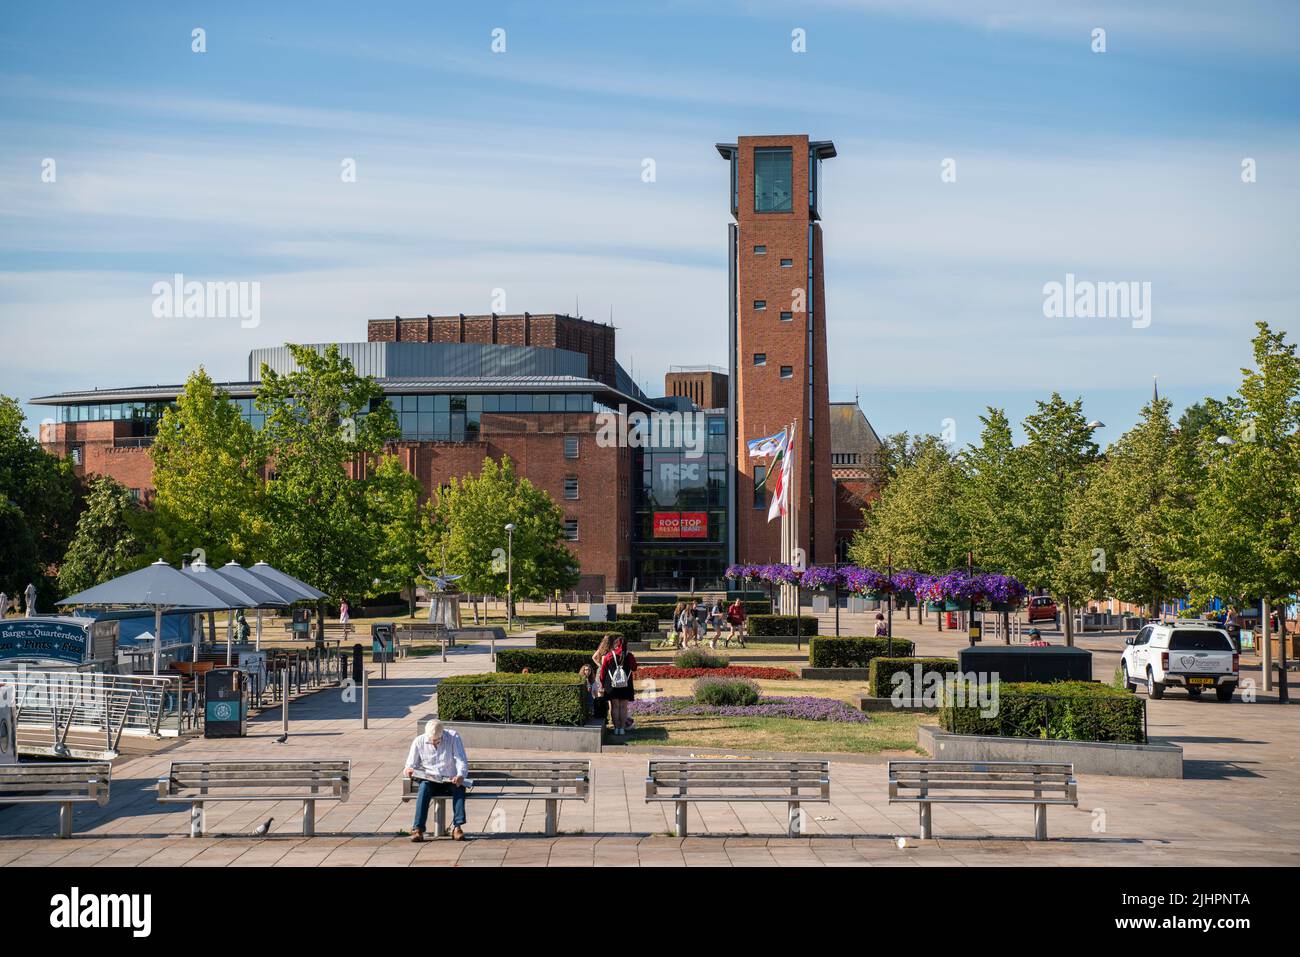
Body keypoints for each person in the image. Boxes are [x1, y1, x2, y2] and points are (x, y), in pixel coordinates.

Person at [404, 719, 469, 842]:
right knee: (424, 787)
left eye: (437, 740)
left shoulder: (453, 737)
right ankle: (418, 829)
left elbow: (461, 760)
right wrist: (409, 771)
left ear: (442, 733)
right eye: (431, 740)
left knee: (459, 787)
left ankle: (457, 827)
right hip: (430, 780)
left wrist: (460, 775)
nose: (434, 742)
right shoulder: (419, 741)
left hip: (450, 779)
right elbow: (410, 765)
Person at [600, 635, 637, 735]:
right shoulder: (629, 655)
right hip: (626, 684)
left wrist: (602, 683)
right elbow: (634, 668)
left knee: (615, 706)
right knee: (624, 707)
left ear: (616, 644)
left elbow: (603, 671)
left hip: (612, 684)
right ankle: (622, 729)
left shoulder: (609, 655)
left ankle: (616, 728)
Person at [589, 636, 612, 726]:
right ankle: (611, 718)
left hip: (600, 672)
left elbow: (593, 657)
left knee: (600, 695)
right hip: (608, 673)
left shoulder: (600, 649)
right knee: (610, 697)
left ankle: (600, 715)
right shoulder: (611, 650)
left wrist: (600, 665)